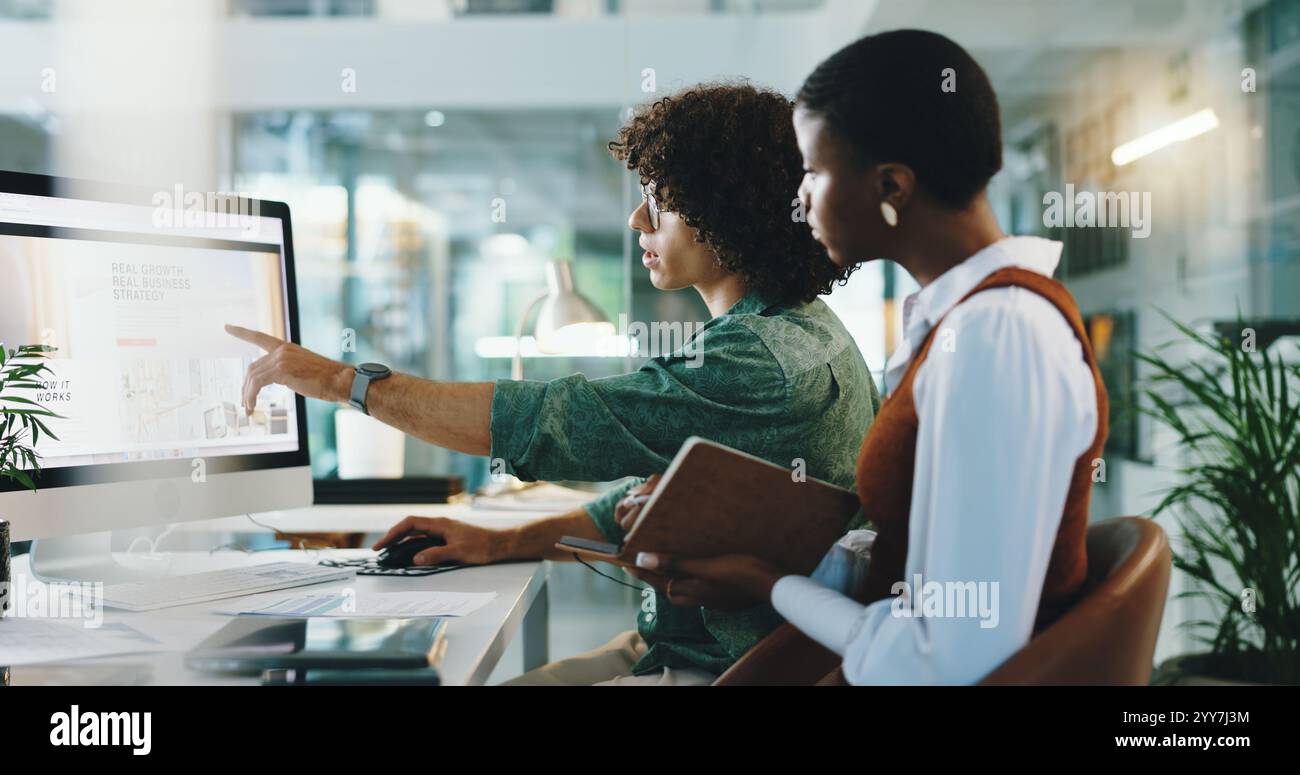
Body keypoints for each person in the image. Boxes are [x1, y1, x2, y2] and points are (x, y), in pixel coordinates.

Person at [227, 82, 879, 685]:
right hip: (696, 650)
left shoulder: (757, 358)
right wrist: (498, 539)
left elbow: (550, 421)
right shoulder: (804, 329)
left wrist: (343, 381)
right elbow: (654, 496)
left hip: (722, 668)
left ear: (722, 213)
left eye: (659, 200)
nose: (637, 222)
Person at [632, 30, 1108, 685]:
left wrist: (771, 582)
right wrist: (758, 562)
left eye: (814, 172)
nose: (797, 199)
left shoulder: (997, 336)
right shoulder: (959, 323)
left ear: (891, 186)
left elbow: (949, 658)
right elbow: (916, 564)